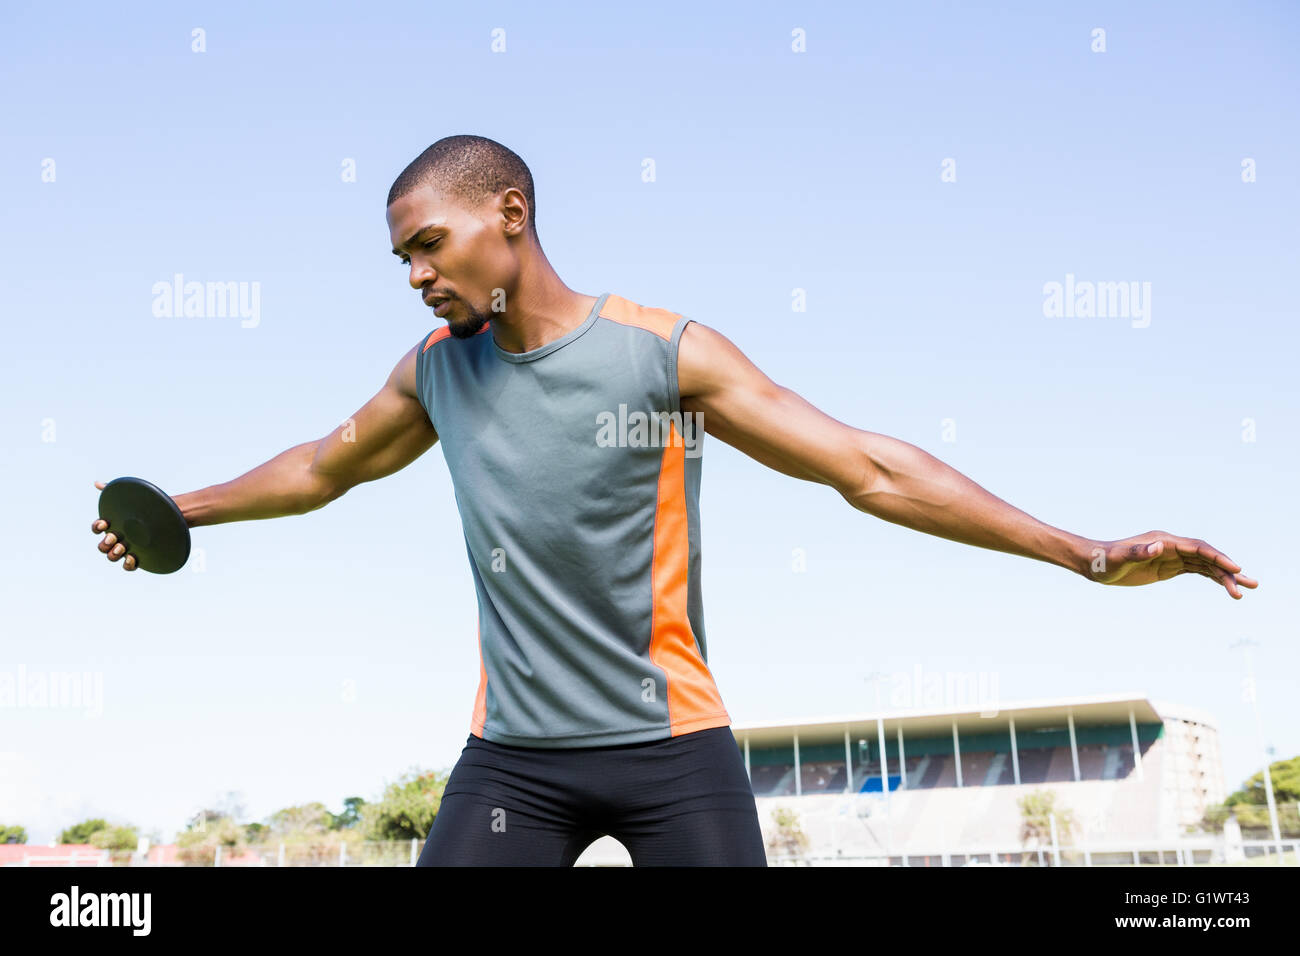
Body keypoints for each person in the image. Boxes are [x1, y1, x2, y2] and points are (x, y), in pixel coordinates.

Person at [91, 135, 1257, 866]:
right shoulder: (434, 374)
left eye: (428, 245)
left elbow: (867, 465)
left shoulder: (665, 354)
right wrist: (182, 510)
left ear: (508, 216)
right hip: (514, 762)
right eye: (400, 259)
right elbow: (321, 464)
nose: (414, 277)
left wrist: (1084, 551)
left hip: (673, 752)